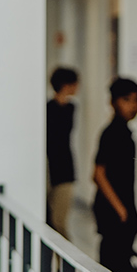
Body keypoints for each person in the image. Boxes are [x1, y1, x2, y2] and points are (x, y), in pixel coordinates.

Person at [92, 77, 137, 272]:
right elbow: (98, 174)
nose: (133, 106)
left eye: (136, 100)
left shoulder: (125, 132)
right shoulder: (111, 133)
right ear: (113, 102)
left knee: (119, 271)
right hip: (113, 216)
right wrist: (120, 209)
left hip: (121, 214)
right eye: (127, 100)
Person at [46, 66, 79, 240]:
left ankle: (63, 263)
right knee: (52, 220)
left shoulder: (70, 108)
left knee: (59, 220)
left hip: (64, 168)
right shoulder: (50, 108)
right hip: (52, 167)